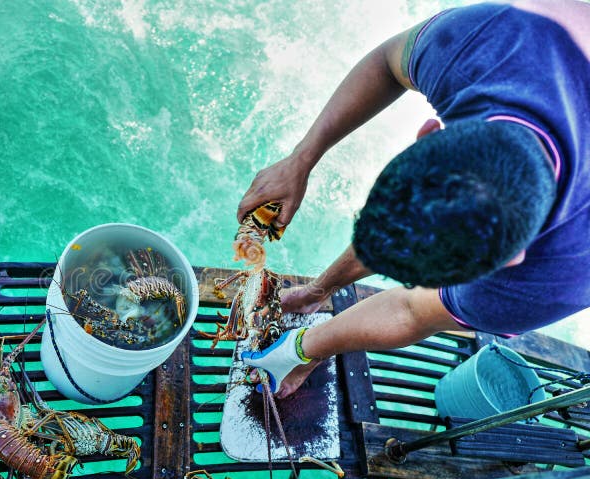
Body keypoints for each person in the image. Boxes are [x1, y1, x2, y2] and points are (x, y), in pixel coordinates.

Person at [238, 0, 590, 399]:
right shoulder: (483, 41)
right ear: (429, 133)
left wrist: (303, 350)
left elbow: (413, 311)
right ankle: (315, 294)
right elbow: (388, 62)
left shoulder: (555, 282)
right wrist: (300, 160)